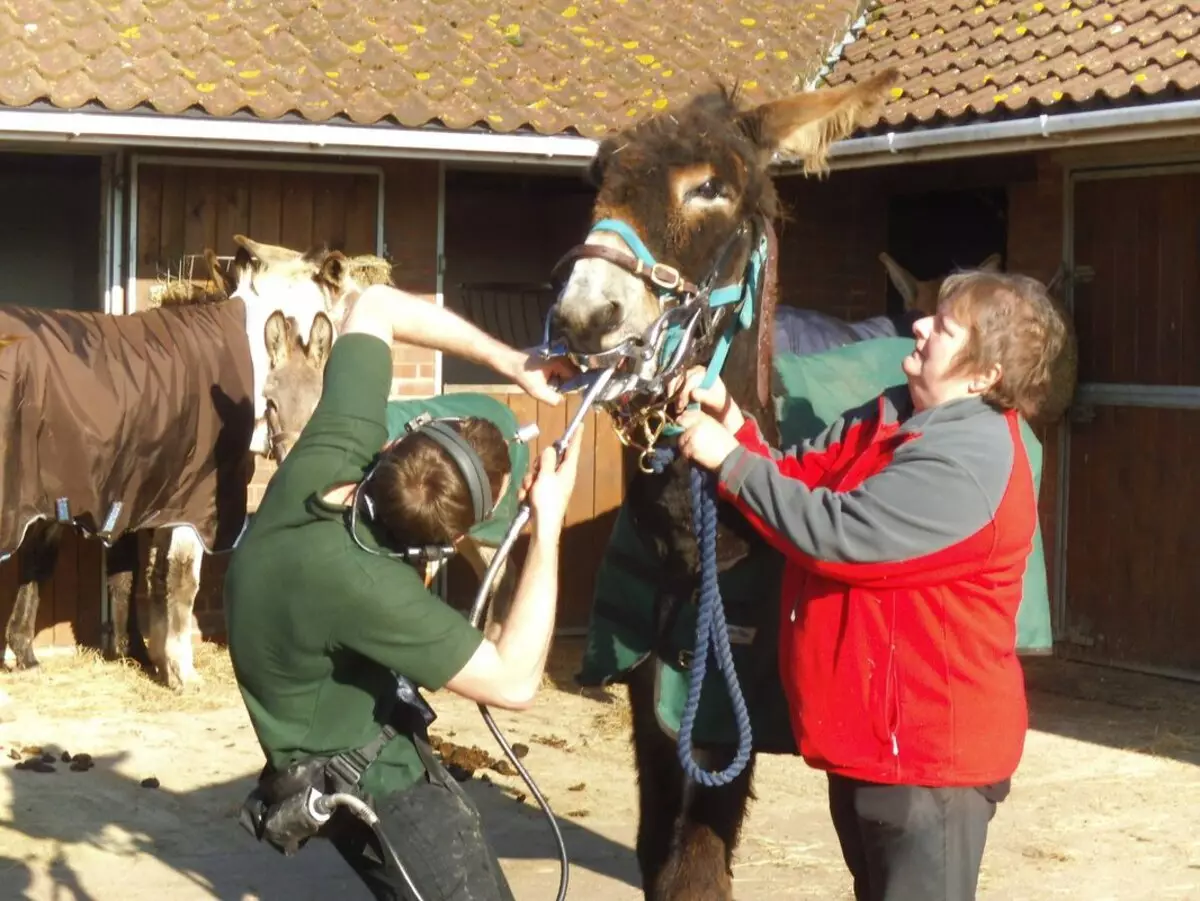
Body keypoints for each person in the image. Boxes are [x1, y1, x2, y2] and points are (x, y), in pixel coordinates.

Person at [671, 270, 1073, 901]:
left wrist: (729, 461)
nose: (917, 326)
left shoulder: (970, 460)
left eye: (943, 327)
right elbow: (798, 477)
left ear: (984, 375)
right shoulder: (893, 412)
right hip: (871, 745)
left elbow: (839, 534)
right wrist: (732, 419)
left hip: (928, 763)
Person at [224, 280, 582, 901]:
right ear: (444, 546)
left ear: (395, 444)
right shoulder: (372, 589)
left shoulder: (329, 453)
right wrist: (548, 525)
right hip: (370, 783)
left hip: (320, 703)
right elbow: (515, 681)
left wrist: (511, 363)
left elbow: (375, 305)